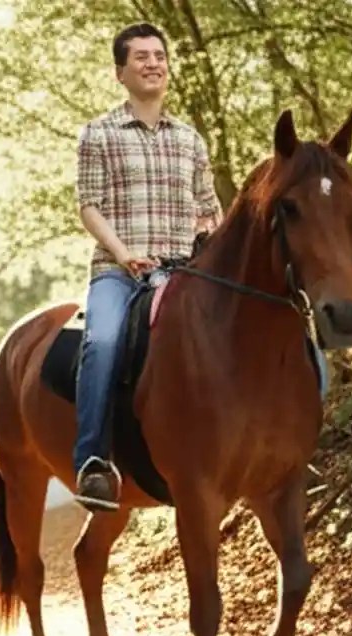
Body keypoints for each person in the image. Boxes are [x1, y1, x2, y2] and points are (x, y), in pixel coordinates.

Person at [71, 22, 222, 512]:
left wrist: (208, 228)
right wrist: (121, 252)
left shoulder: (190, 139)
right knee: (105, 341)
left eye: (159, 55)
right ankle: (94, 461)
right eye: (141, 57)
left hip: (184, 271)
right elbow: (89, 205)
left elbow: (209, 206)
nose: (153, 63)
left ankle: (271, 452)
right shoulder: (98, 133)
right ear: (120, 72)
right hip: (119, 272)